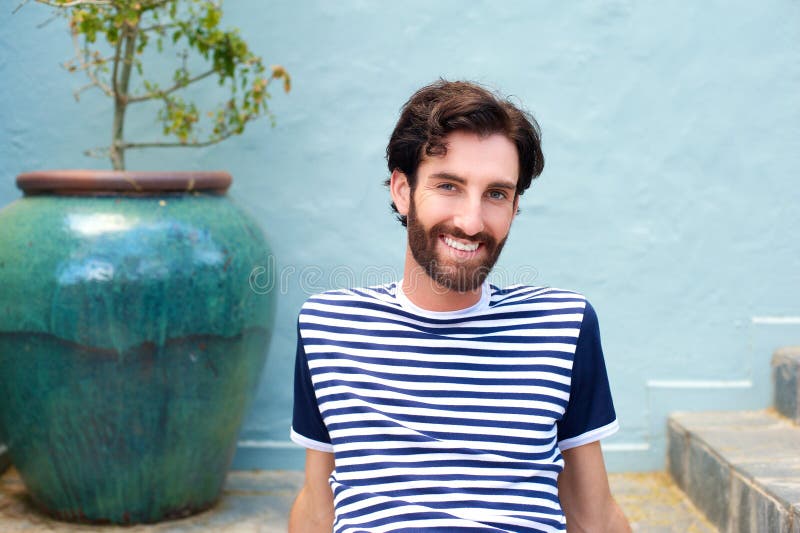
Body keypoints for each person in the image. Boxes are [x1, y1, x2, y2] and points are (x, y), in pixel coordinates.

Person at [288, 80, 631, 532]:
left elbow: (593, 515)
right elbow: (318, 507)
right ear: (402, 190)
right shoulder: (329, 327)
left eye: (496, 194)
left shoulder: (562, 326)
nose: (471, 222)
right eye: (449, 185)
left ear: (515, 206)